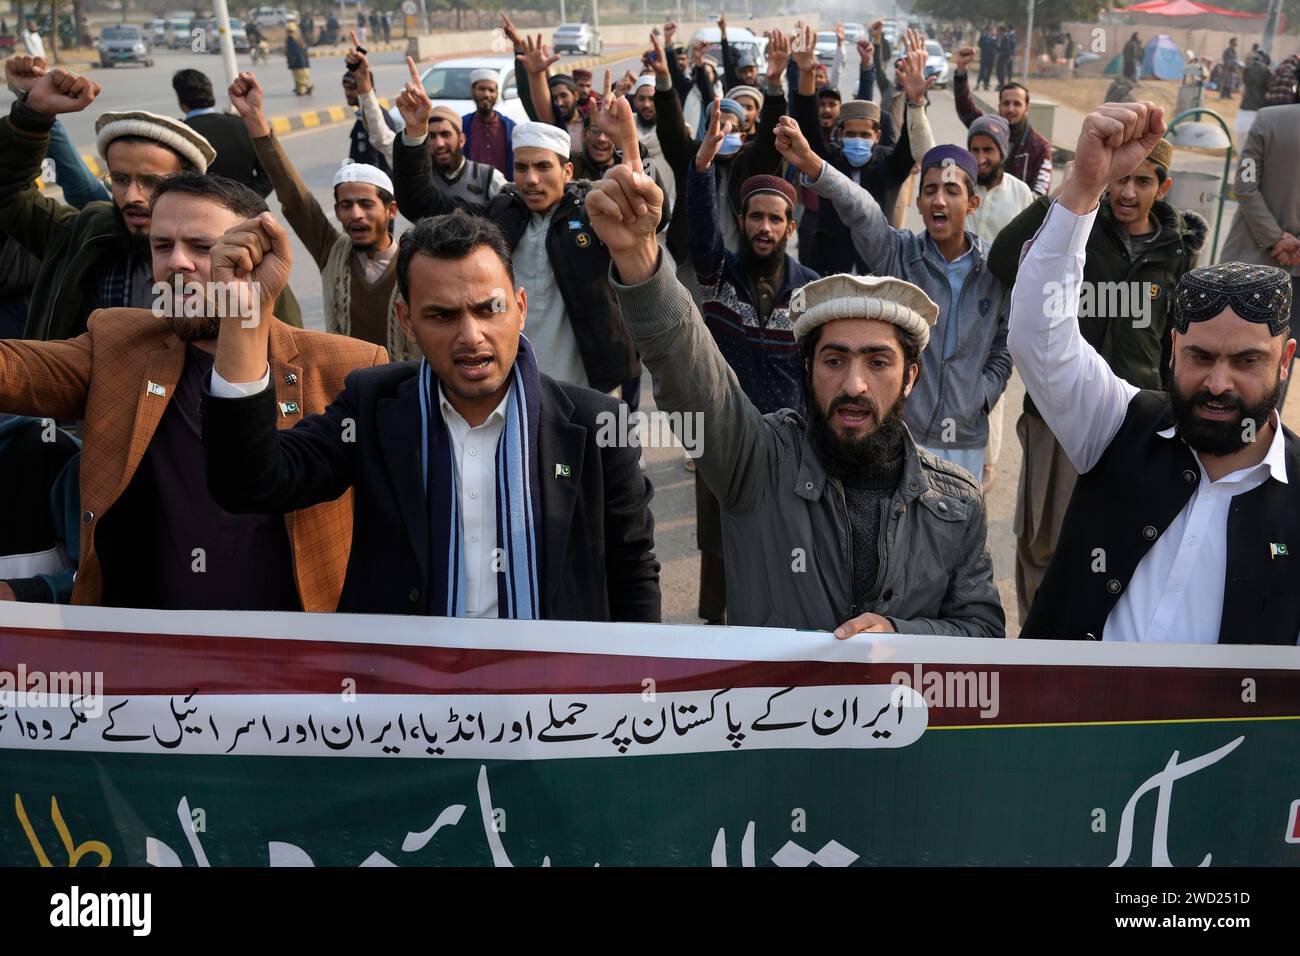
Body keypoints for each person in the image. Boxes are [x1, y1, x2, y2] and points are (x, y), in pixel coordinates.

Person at [586, 141, 1004, 637]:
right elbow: (692, 375)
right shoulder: (758, 464)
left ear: (911, 375)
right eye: (834, 360)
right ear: (807, 368)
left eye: (878, 362)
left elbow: (981, 632)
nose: (853, 384)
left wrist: (901, 636)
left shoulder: (956, 504)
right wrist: (638, 256)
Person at [201, 209, 661, 622]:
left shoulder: (598, 424)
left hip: (552, 701)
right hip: (407, 702)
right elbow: (250, 482)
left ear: (519, 308)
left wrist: (636, 690)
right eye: (442, 316)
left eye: (488, 309)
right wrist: (245, 318)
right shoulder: (371, 406)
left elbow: (632, 569)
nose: (470, 335)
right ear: (407, 321)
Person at [0, 174, 386, 610]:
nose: (177, 263)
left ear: (260, 252)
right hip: (148, 650)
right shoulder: (117, 343)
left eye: (203, 248)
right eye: (162, 246)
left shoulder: (346, 367)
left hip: (297, 656)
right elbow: (13, 371)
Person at [1009, 100, 1300, 645]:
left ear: (1285, 362)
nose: (1218, 383)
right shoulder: (1120, 424)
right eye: (1201, 357)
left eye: (1246, 362)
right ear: (1173, 350)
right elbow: (1036, 336)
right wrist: (1082, 187)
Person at [990, 137, 1207, 620]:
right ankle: (1039, 642)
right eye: (1121, 179)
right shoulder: (1080, 223)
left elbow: (1176, 340)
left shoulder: (1175, 252)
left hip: (1139, 421)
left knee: (1122, 541)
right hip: (1060, 411)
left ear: (1163, 187)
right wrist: (1074, 191)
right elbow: (1004, 258)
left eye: (1143, 181)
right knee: (1044, 541)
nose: (1128, 192)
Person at [0, 55, 299, 341]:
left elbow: (283, 356)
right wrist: (33, 114)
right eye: (119, 179)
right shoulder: (85, 234)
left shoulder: (239, 258)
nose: (132, 196)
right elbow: (11, 193)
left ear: (185, 185)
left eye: (151, 182)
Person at [391, 59, 641, 397]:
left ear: (566, 172)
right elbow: (421, 204)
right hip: (514, 383)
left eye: (542, 167)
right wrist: (415, 134)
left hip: (587, 382)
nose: (531, 179)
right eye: (521, 167)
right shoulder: (501, 214)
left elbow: (648, 209)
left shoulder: (593, 212)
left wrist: (624, 142)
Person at [782, 118, 1011, 479]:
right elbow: (862, 209)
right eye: (930, 189)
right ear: (918, 202)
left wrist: (981, 395)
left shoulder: (992, 270)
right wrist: (815, 165)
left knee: (954, 531)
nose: (939, 199)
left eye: (952, 191)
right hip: (898, 434)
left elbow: (1005, 343)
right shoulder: (897, 254)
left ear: (972, 203)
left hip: (963, 439)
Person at [686, 115, 820, 623]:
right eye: (755, 217)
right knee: (719, 542)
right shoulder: (719, 273)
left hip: (788, 441)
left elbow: (817, 371)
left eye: (775, 220)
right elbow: (700, 230)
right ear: (741, 221)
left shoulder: (811, 289)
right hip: (723, 436)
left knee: (783, 542)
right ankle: (715, 632)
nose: (764, 228)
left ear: (790, 226)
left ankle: (773, 631)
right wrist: (702, 167)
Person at [229, 71, 413, 361]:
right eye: (346, 205)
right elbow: (294, 198)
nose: (355, 215)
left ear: (390, 210)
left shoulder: (414, 264)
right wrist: (255, 120)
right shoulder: (333, 252)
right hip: (346, 387)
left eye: (366, 204)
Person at [792, 33, 934, 277]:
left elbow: (911, 145)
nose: (858, 140)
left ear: (877, 136)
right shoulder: (829, 162)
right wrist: (805, 73)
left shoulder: (890, 166)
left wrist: (915, 100)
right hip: (829, 267)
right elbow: (807, 121)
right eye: (851, 134)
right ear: (840, 134)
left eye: (865, 135)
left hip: (880, 269)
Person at [1221, 97, 1300, 403]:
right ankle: (1266, 437)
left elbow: (1246, 184)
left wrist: (1275, 238)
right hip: (1295, 278)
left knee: (1231, 352)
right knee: (1280, 361)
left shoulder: (1268, 120)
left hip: (1251, 263)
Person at [952, 47, 1053, 195]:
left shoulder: (1040, 148)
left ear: (1027, 108)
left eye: (1017, 104)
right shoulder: (987, 129)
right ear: (999, 106)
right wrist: (961, 69)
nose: (1011, 109)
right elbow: (965, 109)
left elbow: (1040, 195)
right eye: (1006, 103)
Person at [172, 68, 271, 197]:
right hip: (248, 210)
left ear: (180, 100)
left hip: (202, 213)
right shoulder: (243, 125)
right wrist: (247, 203)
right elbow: (269, 174)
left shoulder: (178, 135)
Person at [963, 115, 1035, 246]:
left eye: (987, 150)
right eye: (975, 150)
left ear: (1002, 153)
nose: (980, 159)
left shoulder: (1020, 192)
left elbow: (1028, 243)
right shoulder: (959, 186)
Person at [461, 67, 516, 179]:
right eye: (481, 89)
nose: (486, 94)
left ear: (497, 94)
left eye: (491, 90)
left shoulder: (510, 127)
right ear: (472, 91)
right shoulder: (462, 125)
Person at [285, 21, 312, 96]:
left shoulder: (290, 39)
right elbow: (305, 49)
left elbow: (292, 52)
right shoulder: (299, 38)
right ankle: (300, 91)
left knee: (299, 78)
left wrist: (291, 60)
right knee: (301, 77)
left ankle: (309, 86)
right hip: (304, 62)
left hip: (297, 62)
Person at [977, 25, 997, 91]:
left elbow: (995, 46)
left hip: (991, 57)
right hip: (984, 56)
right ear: (986, 30)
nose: (990, 31)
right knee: (982, 70)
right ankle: (978, 83)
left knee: (989, 71)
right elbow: (979, 44)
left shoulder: (994, 38)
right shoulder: (983, 37)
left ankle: (986, 84)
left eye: (991, 30)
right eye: (989, 30)